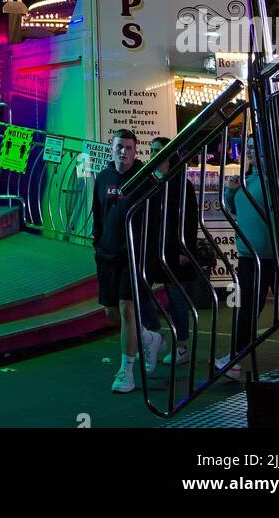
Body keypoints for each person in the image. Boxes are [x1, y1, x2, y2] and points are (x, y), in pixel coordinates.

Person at [92, 129, 164, 394]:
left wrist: (151, 256)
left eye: (129, 148)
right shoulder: (103, 178)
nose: (124, 152)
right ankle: (149, 338)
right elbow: (98, 216)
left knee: (126, 309)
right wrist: (97, 244)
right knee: (112, 314)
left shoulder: (144, 180)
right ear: (112, 148)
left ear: (136, 151)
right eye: (120, 147)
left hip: (133, 256)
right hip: (107, 255)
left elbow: (154, 222)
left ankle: (126, 371)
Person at [215, 135, 276, 379]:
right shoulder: (247, 179)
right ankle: (236, 357)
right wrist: (230, 192)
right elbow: (234, 208)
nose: (250, 151)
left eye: (256, 147)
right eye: (248, 147)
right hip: (249, 255)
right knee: (248, 306)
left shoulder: (272, 180)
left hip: (270, 255)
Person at [142, 134, 200, 365]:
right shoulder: (149, 181)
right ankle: (156, 335)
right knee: (142, 292)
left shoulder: (180, 183)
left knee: (177, 298)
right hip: (153, 249)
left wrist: (186, 249)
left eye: (159, 150)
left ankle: (182, 346)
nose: (155, 153)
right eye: (153, 149)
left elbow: (190, 218)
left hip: (175, 250)